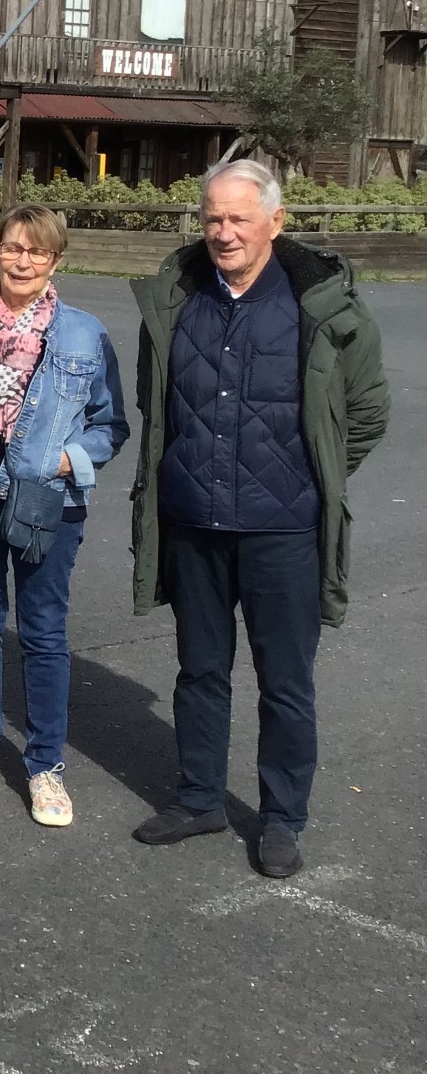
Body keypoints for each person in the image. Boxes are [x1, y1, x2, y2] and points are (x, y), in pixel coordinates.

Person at [129, 160, 388, 878]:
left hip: (284, 530)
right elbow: (160, 408)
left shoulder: (323, 306)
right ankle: (200, 797)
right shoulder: (177, 298)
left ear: (276, 221)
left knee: (285, 681)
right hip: (195, 523)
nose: (224, 231)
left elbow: (367, 412)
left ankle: (281, 818)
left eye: (240, 218)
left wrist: (317, 476)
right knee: (200, 671)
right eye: (213, 217)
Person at [0, 205, 128, 826]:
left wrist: (69, 461)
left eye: (37, 252)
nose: (22, 261)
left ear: (55, 261)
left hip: (48, 504)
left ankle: (44, 766)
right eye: (13, 248)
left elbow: (109, 423)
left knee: (43, 633)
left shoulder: (83, 334)